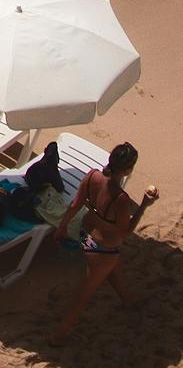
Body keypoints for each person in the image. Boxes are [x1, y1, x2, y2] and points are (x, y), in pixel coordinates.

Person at [56, 141, 153, 335]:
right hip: (104, 249)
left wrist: (62, 227)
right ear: (127, 170)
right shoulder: (121, 199)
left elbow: (75, 205)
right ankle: (58, 335)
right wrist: (144, 205)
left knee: (110, 267)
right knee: (83, 296)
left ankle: (127, 300)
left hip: (86, 236)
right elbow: (124, 233)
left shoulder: (92, 176)